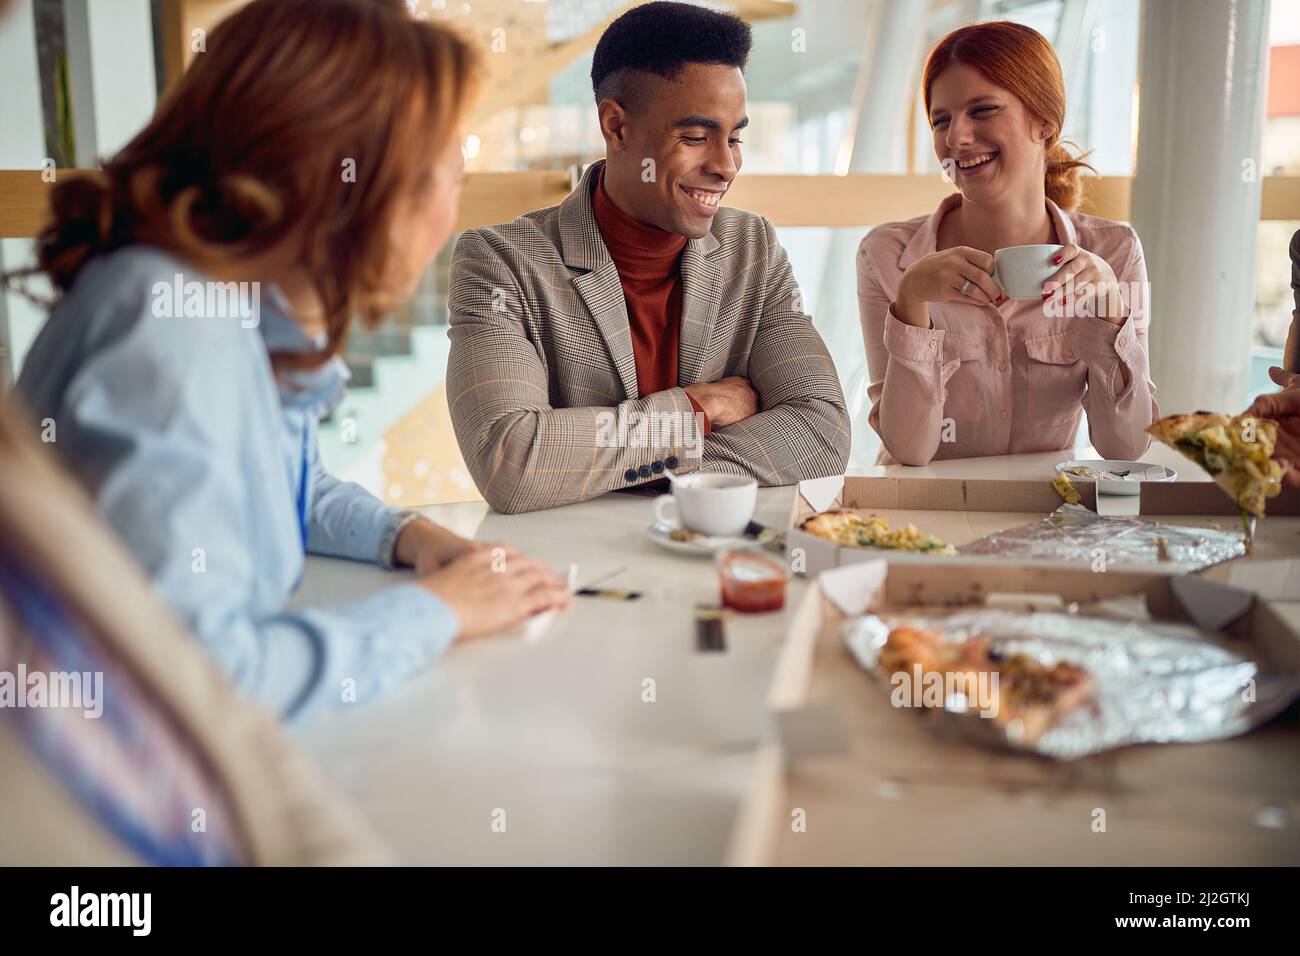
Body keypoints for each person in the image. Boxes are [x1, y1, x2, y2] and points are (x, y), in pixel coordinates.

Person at [7, 0, 568, 724]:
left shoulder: (211, 302)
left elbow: (265, 484)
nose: (449, 210)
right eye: (445, 171)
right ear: (343, 183)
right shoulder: (175, 333)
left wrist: (403, 536)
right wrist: (435, 614)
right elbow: (190, 690)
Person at [446, 1, 850, 514]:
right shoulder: (502, 261)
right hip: (573, 575)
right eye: (696, 137)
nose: (726, 165)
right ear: (616, 127)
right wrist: (694, 408)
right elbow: (512, 463)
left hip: (719, 561)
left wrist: (607, 467)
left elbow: (822, 432)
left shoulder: (753, 247)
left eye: (736, 137)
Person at [857, 20, 1158, 466]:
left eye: (982, 111)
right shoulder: (888, 256)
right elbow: (910, 450)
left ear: (1045, 124)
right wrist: (912, 301)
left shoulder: (1114, 252)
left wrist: (1112, 313)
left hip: (1045, 516)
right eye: (941, 120)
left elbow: (1126, 447)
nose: (956, 138)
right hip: (924, 515)